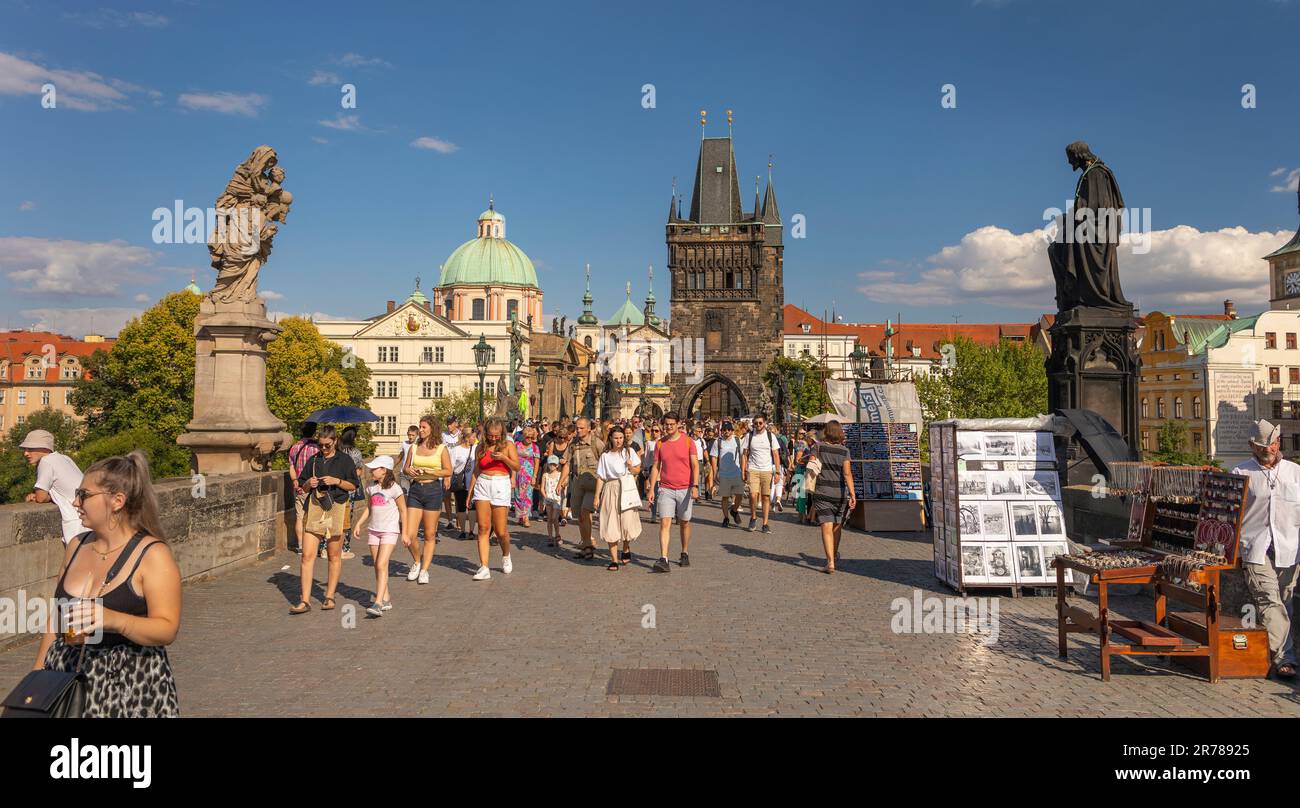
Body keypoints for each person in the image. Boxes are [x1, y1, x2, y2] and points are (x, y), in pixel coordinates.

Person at [32, 450, 181, 716]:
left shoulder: (152, 555)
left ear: (117, 501)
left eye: (84, 495)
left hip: (129, 687)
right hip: (65, 678)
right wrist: (37, 673)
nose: (76, 502)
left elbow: (167, 629)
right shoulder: (76, 545)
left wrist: (113, 619)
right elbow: (56, 616)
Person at [1231, 419, 1300, 679]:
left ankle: (1272, 650)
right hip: (1255, 546)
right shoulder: (1240, 472)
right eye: (1260, 445)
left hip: (1290, 548)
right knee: (1269, 600)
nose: (1266, 449)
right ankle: (1286, 658)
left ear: (1278, 442)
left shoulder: (1295, 472)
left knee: (1286, 601)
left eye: (1270, 443)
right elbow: (1230, 515)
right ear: (1251, 446)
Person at [291, 425, 359, 613]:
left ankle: (329, 596)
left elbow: (353, 485)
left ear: (335, 441)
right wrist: (307, 483)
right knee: (307, 555)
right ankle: (305, 600)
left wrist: (336, 481)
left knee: (333, 555)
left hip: (336, 507)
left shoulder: (345, 460)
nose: (323, 449)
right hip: (315, 508)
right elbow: (302, 488)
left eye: (327, 445)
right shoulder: (314, 460)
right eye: (321, 445)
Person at [402, 416, 452, 585]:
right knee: (409, 534)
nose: (421, 430)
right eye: (420, 427)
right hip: (415, 489)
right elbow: (405, 468)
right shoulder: (414, 447)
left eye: (424, 427)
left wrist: (431, 471)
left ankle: (425, 570)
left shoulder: (441, 448)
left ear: (432, 428)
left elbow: (448, 471)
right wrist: (411, 470)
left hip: (433, 490)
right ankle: (417, 561)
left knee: (430, 534)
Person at [469, 418, 520, 580]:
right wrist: (470, 492)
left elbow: (517, 466)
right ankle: (484, 566)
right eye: (490, 435)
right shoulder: (480, 447)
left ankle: (506, 555)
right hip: (483, 483)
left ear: (502, 434)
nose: (493, 438)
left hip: (500, 483)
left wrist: (503, 459)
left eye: (497, 435)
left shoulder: (508, 445)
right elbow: (476, 471)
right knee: (483, 527)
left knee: (500, 530)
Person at [647, 412, 698, 572]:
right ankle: (664, 558)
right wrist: (651, 487)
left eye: (671, 424)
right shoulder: (660, 444)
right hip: (666, 488)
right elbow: (656, 466)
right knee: (664, 523)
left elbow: (695, 465)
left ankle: (684, 551)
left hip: (685, 488)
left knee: (684, 522)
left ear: (678, 424)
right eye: (666, 424)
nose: (668, 427)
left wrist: (695, 486)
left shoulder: (689, 442)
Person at [355, 456, 406, 617]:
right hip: (374, 530)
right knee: (378, 565)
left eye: (374, 468)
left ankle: (377, 603)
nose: (371, 471)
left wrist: (404, 532)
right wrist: (359, 524)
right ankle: (386, 597)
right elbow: (369, 508)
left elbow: (404, 510)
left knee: (382, 564)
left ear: (384, 470)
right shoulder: (371, 486)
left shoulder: (395, 488)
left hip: (390, 530)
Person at [19, 429, 84, 543]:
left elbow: (41, 497)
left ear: (44, 448)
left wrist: (42, 496)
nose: (26, 453)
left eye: (30, 449)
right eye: (25, 449)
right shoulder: (65, 458)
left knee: (77, 558)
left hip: (76, 521)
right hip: (87, 515)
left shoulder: (46, 461)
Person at [810, 420, 856, 574]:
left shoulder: (818, 447)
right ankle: (834, 556)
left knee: (826, 526)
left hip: (822, 492)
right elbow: (847, 473)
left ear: (827, 432)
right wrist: (852, 494)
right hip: (840, 493)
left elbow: (811, 465)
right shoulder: (844, 451)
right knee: (837, 526)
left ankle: (830, 562)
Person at [596, 425, 643, 570]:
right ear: (610, 438)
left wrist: (630, 467)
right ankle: (614, 559)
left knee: (627, 522)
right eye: (616, 438)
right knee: (611, 522)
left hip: (627, 487)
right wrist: (597, 496)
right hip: (611, 488)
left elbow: (637, 470)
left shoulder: (629, 452)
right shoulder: (605, 456)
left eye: (621, 438)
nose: (619, 441)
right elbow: (601, 477)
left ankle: (626, 547)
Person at [561, 417, 605, 560]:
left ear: (588, 428)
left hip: (592, 484)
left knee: (586, 512)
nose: (578, 430)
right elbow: (567, 463)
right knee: (579, 515)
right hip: (578, 482)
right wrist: (561, 480)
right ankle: (586, 544)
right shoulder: (573, 444)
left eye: (581, 428)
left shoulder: (596, 443)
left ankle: (587, 546)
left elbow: (605, 463)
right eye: (577, 427)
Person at [740, 414, 781, 534]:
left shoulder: (770, 436)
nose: (758, 425)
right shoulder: (749, 436)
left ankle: (765, 523)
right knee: (753, 495)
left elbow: (776, 455)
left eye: (760, 423)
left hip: (767, 470)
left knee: (765, 497)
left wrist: (777, 472)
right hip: (753, 469)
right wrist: (743, 471)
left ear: (765, 423)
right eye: (756, 423)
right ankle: (753, 517)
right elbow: (744, 455)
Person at [287, 422, 320, 555]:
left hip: (299, 487)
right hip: (314, 486)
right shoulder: (317, 448)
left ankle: (300, 546)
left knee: (300, 517)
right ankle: (313, 545)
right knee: (315, 516)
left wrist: (295, 481)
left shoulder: (295, 447)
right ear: (314, 432)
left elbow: (291, 467)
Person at [338, 425, 365, 560]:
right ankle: (345, 547)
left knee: (333, 516)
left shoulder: (336, 450)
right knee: (347, 518)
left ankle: (325, 546)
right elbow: (359, 471)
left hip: (335, 486)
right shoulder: (356, 453)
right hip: (350, 488)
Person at [710, 421, 745, 528]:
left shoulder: (738, 440)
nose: (726, 432)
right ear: (721, 431)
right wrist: (715, 472)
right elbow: (714, 457)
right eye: (724, 430)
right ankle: (726, 518)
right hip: (724, 473)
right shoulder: (718, 442)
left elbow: (743, 456)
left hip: (736, 472)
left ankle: (734, 510)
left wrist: (743, 471)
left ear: (732, 431)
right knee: (725, 497)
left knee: (739, 495)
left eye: (729, 430)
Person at [448, 429, 475, 539]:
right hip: (460, 482)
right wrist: (448, 480)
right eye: (473, 437)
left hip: (473, 482)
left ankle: (472, 531)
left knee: (472, 507)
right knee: (461, 506)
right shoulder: (456, 450)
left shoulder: (475, 449)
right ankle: (463, 530)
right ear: (467, 438)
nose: (475, 439)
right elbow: (451, 467)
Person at [514, 425, 539, 528]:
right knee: (518, 495)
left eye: (531, 437)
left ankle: (526, 517)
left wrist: (534, 476)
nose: (529, 439)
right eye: (527, 437)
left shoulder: (535, 447)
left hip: (528, 474)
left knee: (527, 495)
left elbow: (537, 463)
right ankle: (520, 516)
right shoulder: (516, 445)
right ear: (523, 436)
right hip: (517, 473)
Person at [540, 455, 564, 546]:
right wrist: (545, 496)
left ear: (557, 465)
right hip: (548, 499)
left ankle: (557, 535)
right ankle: (550, 537)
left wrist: (563, 485)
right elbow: (542, 488)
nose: (552, 466)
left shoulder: (560, 475)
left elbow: (564, 484)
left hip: (556, 499)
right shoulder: (545, 475)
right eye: (550, 464)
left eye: (554, 464)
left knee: (555, 518)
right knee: (549, 519)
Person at [394, 424, 419, 494]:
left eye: (413, 435)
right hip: (404, 473)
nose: (410, 437)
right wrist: (393, 466)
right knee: (405, 493)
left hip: (414, 473)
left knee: (414, 494)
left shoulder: (419, 445)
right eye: (409, 435)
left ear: (417, 435)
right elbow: (401, 456)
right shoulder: (404, 443)